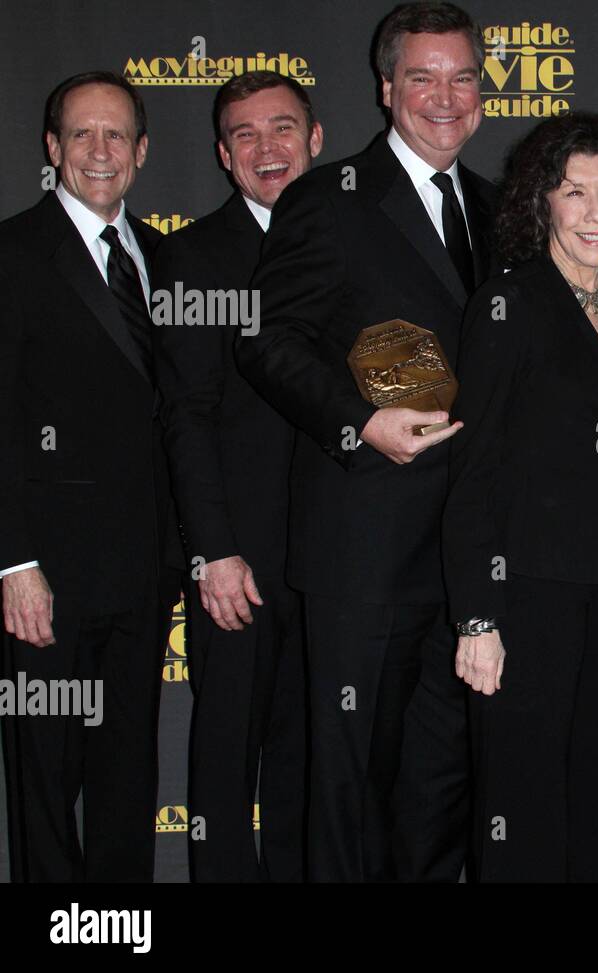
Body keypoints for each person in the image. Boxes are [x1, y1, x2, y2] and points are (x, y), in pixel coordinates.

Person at [234, 1, 495, 882]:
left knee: (440, 788)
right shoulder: (329, 197)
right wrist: (358, 422)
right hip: (364, 547)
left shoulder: (500, 211)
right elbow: (265, 339)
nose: (444, 96)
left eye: (462, 76)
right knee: (346, 787)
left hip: (467, 556)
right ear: (387, 89)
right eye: (422, 77)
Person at [443, 112, 598, 882]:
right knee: (522, 806)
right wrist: (477, 615)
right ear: (542, 205)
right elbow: (473, 471)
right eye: (576, 193)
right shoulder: (510, 305)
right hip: (526, 597)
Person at [0, 71, 180, 881]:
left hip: (144, 575)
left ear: (141, 152)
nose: (99, 151)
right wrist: (13, 562)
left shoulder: (166, 260)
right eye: (82, 135)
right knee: (44, 781)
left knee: (125, 779)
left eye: (116, 136)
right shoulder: (12, 252)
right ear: (52, 149)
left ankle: (115, 932)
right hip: (49, 577)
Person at [152, 70, 323, 882]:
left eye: (282, 128)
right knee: (224, 759)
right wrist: (213, 550)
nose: (268, 149)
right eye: (246, 136)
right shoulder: (193, 257)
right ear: (223, 155)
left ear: (315, 140)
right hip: (237, 563)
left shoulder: (349, 241)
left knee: (307, 761)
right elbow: (185, 416)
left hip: (333, 561)